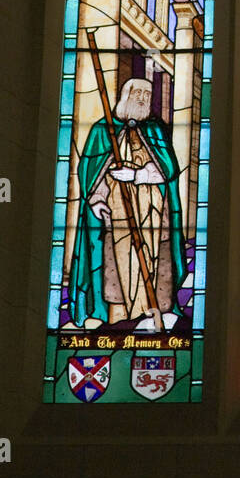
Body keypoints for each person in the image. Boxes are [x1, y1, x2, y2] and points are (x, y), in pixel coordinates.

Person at [67, 77, 186, 332]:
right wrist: (97, 202)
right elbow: (91, 171)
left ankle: (158, 315)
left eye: (147, 93)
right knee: (116, 270)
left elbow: (168, 169)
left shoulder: (155, 130)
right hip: (117, 217)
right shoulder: (103, 130)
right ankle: (118, 321)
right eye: (136, 92)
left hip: (154, 218)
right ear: (125, 95)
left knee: (158, 266)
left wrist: (139, 175)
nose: (142, 98)